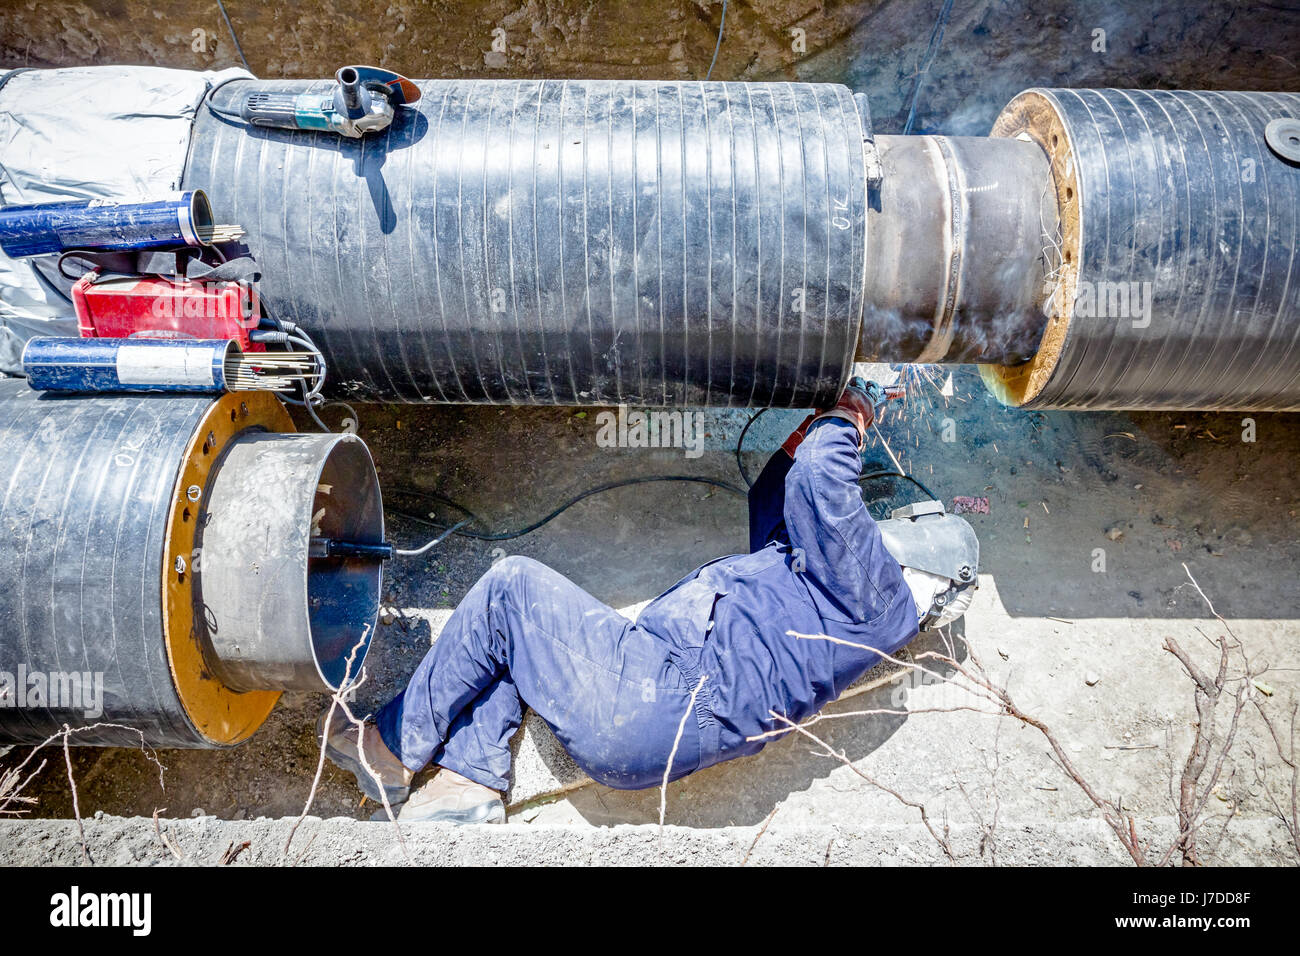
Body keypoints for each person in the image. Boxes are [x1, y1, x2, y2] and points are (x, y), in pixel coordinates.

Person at [319, 379, 978, 823]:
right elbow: (779, 495)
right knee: (529, 643)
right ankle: (469, 786)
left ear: (922, 550)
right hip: (659, 710)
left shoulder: (883, 591)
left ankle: (390, 751)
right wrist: (817, 417)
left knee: (511, 590)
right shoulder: (837, 594)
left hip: (664, 697)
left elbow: (820, 482)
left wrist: (856, 410)